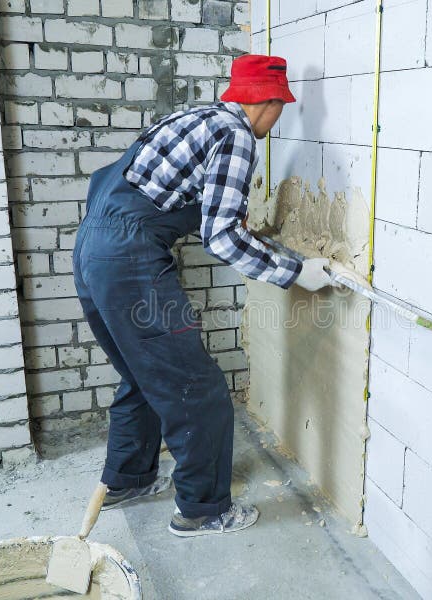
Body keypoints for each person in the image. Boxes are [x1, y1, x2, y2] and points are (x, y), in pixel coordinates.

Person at [72, 54, 335, 537]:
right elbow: (221, 239)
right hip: (127, 259)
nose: (279, 120)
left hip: (91, 247)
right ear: (268, 102)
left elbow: (163, 198)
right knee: (198, 387)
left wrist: (236, 227)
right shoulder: (236, 136)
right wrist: (298, 271)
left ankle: (129, 479)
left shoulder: (194, 118)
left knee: (143, 374)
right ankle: (202, 509)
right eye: (281, 108)